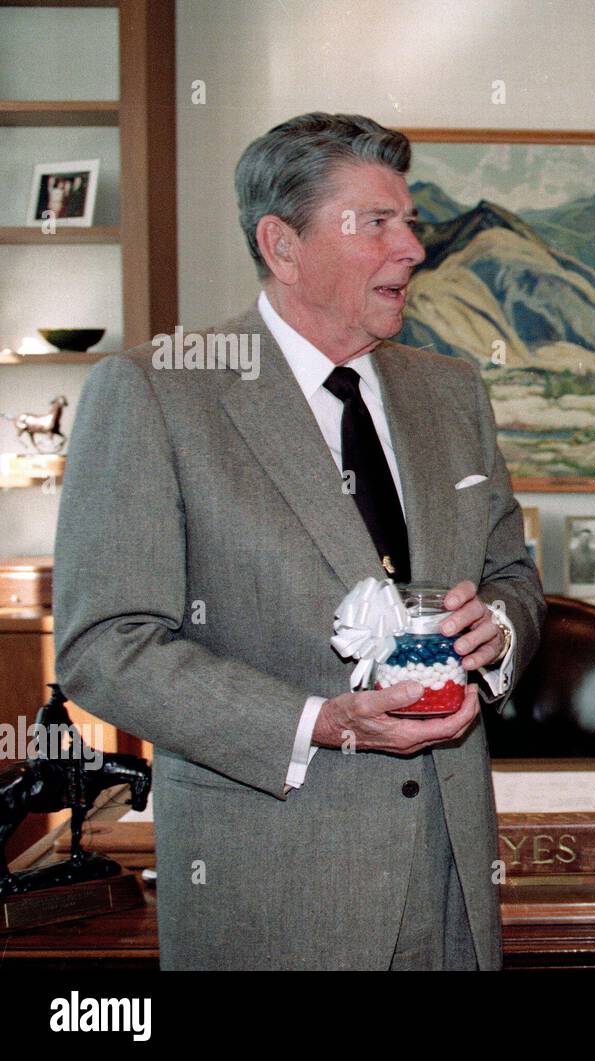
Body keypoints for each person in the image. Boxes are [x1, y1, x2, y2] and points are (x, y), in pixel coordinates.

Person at [53, 113, 546, 970]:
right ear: (282, 245)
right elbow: (107, 646)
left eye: (411, 221)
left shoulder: (452, 391)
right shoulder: (156, 393)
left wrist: (497, 630)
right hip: (276, 896)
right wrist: (320, 721)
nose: (414, 250)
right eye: (377, 223)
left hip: (455, 879)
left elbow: (513, 575)